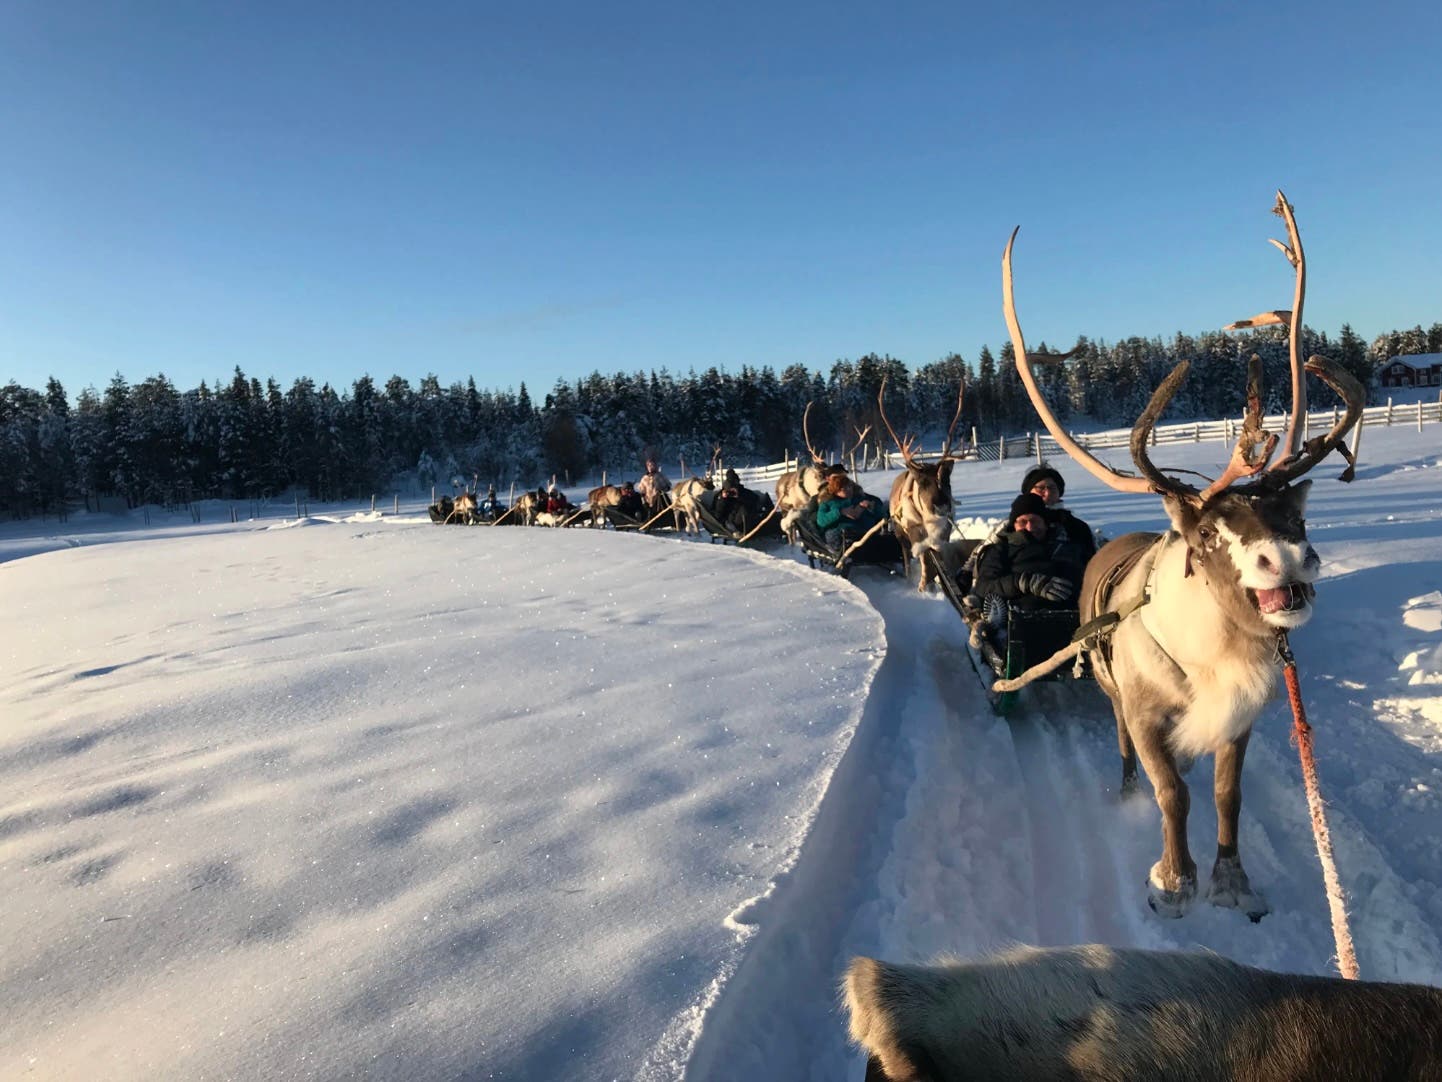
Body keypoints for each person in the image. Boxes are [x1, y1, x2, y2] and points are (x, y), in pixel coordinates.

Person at [973, 492, 1085, 617]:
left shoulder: (1067, 547)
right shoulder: (1000, 550)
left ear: (1045, 523)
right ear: (1013, 525)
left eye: (1035, 520)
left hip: (1071, 618)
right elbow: (984, 587)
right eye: (1023, 521)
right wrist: (1022, 582)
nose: (1030, 527)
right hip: (1017, 620)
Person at [1020, 464, 1096, 565]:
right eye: (1041, 488)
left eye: (1052, 488)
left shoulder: (1076, 526)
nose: (1047, 493)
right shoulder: (1015, 525)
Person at [815, 472, 885, 550]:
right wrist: (840, 512)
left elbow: (881, 515)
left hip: (864, 532)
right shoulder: (827, 503)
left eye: (849, 487)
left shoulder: (860, 499)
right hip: (840, 534)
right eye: (843, 488)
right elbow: (821, 521)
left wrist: (871, 507)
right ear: (835, 490)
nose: (848, 490)